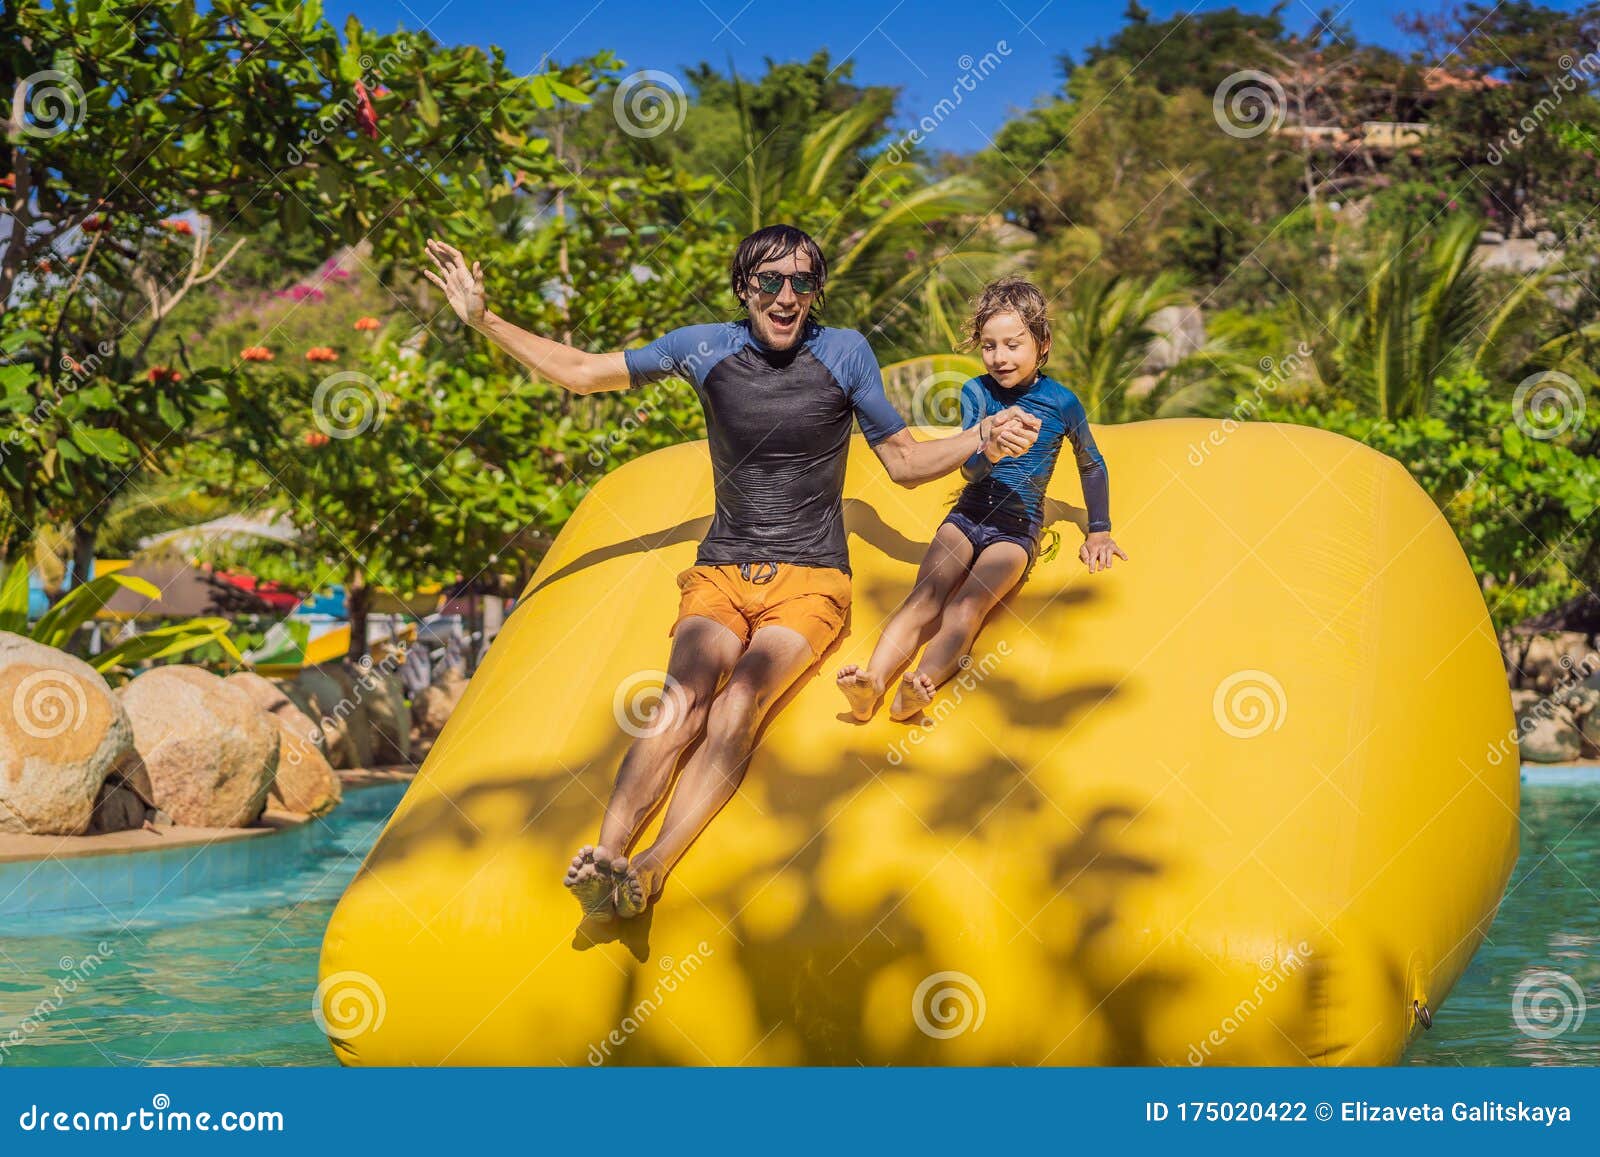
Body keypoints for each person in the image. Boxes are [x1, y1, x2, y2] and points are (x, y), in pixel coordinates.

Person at [423, 225, 1041, 920]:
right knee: (680, 700)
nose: (785, 296)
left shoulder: (843, 352)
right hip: (719, 572)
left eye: (801, 282)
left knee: (740, 699)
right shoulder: (703, 347)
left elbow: (901, 461)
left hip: (811, 582)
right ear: (743, 287)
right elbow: (584, 373)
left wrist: (979, 438)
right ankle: (607, 857)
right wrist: (484, 319)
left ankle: (651, 869)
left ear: (816, 292)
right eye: (769, 281)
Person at [836, 276, 1128, 722]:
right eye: (989, 346)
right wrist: (988, 449)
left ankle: (916, 688)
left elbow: (1092, 463)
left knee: (967, 605)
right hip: (968, 513)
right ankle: (871, 683)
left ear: (1042, 342)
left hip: (1016, 529)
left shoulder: (1062, 402)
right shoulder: (977, 392)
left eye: (1013, 344)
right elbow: (968, 470)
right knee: (925, 595)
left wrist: (1100, 529)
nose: (1000, 357)